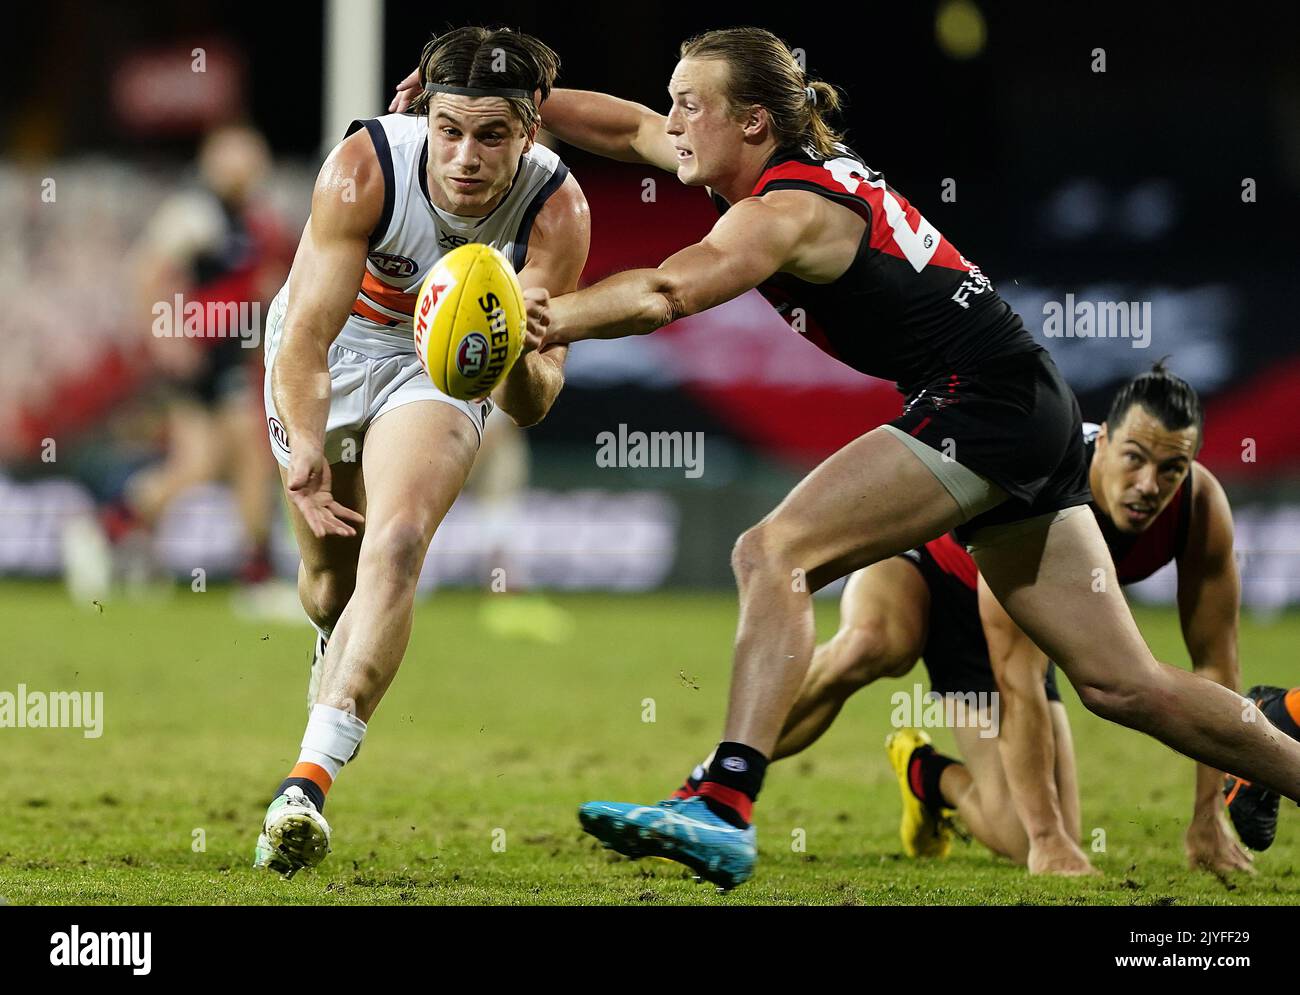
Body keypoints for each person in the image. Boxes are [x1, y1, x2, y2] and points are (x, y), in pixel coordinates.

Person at [390, 26, 1300, 889]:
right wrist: (508, 100)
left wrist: (533, 316)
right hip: (1027, 405)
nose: (671, 123)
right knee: (1122, 684)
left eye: (688, 104)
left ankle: (725, 799)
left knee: (771, 551)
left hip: (983, 403)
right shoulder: (754, 166)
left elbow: (667, 290)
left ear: (752, 121)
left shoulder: (785, 209)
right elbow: (627, 130)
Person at [678, 364, 1250, 877]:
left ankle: (927, 777)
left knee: (1023, 836)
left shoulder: (1198, 511)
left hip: (1017, 618)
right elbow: (1016, 678)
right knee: (874, 644)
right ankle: (713, 779)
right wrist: (1047, 840)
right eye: (1135, 458)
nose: (1150, 485)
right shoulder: (1049, 485)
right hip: (928, 565)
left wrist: (1208, 816)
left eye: (1171, 468)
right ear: (1102, 442)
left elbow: (1215, 667)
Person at [252, 26, 590, 877]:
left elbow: (538, 399)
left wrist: (509, 342)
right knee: (330, 580)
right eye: (450, 130)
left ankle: (305, 784)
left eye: (492, 135)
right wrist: (301, 447)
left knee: (395, 541)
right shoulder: (364, 167)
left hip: (440, 367)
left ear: (530, 134)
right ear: (425, 119)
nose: (466, 157)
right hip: (339, 349)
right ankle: (334, 643)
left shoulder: (557, 210)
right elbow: (306, 339)